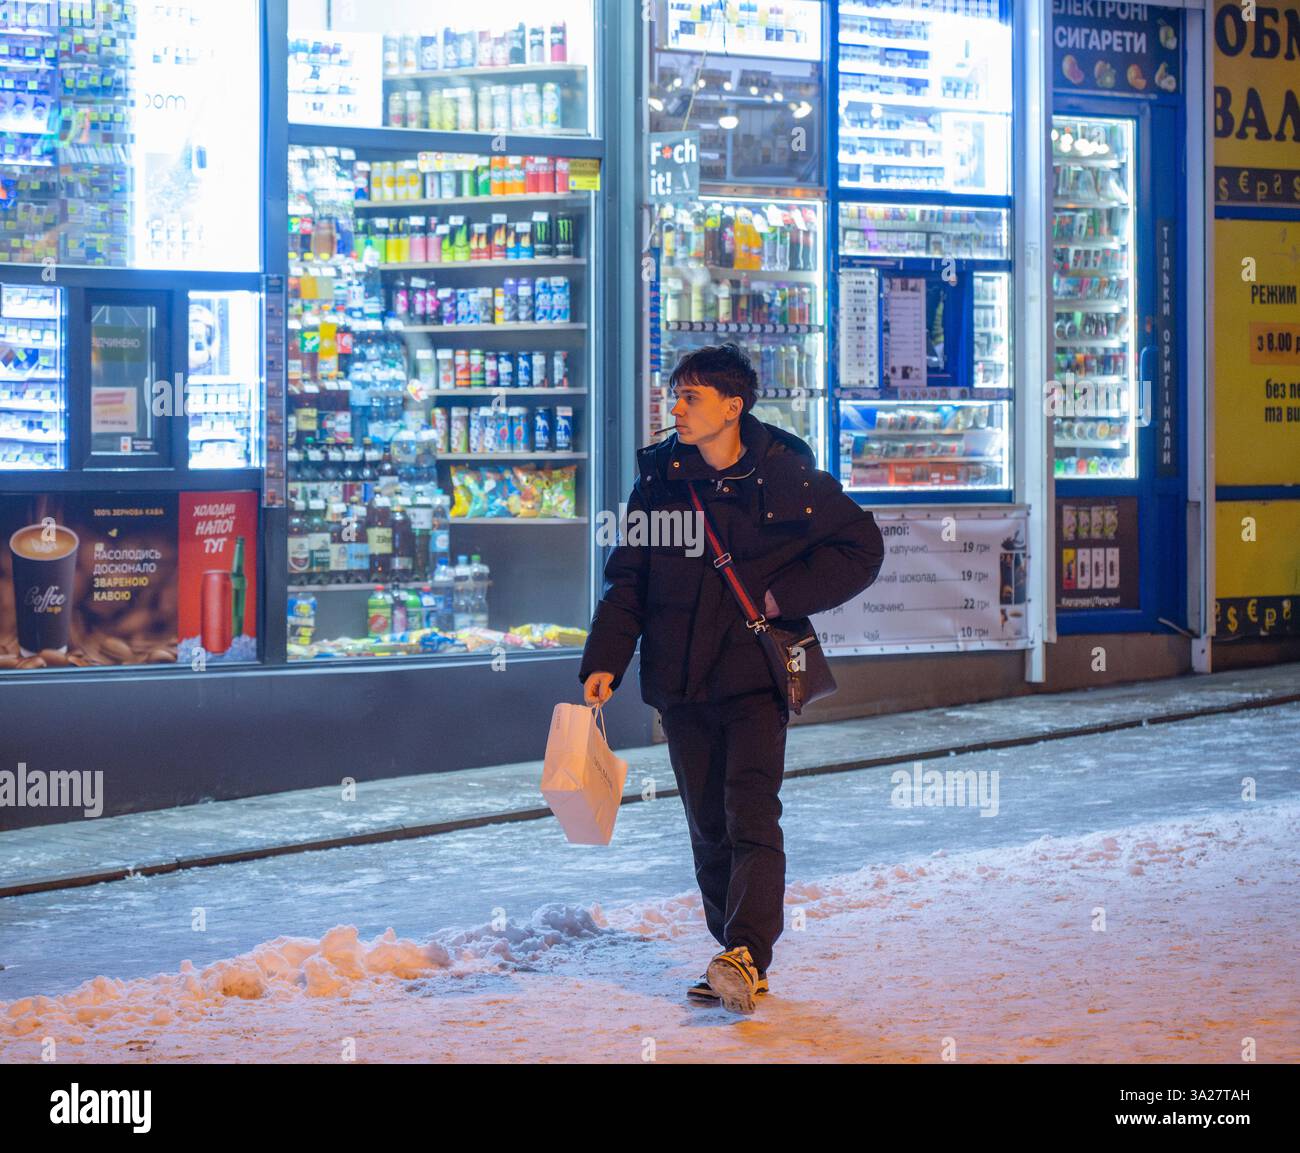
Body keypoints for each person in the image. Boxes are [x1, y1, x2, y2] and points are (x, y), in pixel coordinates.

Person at [578, 342, 885, 1013]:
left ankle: (747, 950)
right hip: (680, 681)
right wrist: (604, 659)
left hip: (751, 678)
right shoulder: (661, 478)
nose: (676, 407)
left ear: (733, 406)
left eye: (690, 396)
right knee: (708, 825)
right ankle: (732, 952)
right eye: (674, 395)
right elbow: (630, 578)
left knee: (750, 813)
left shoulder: (787, 475)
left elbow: (862, 546)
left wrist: (780, 596)